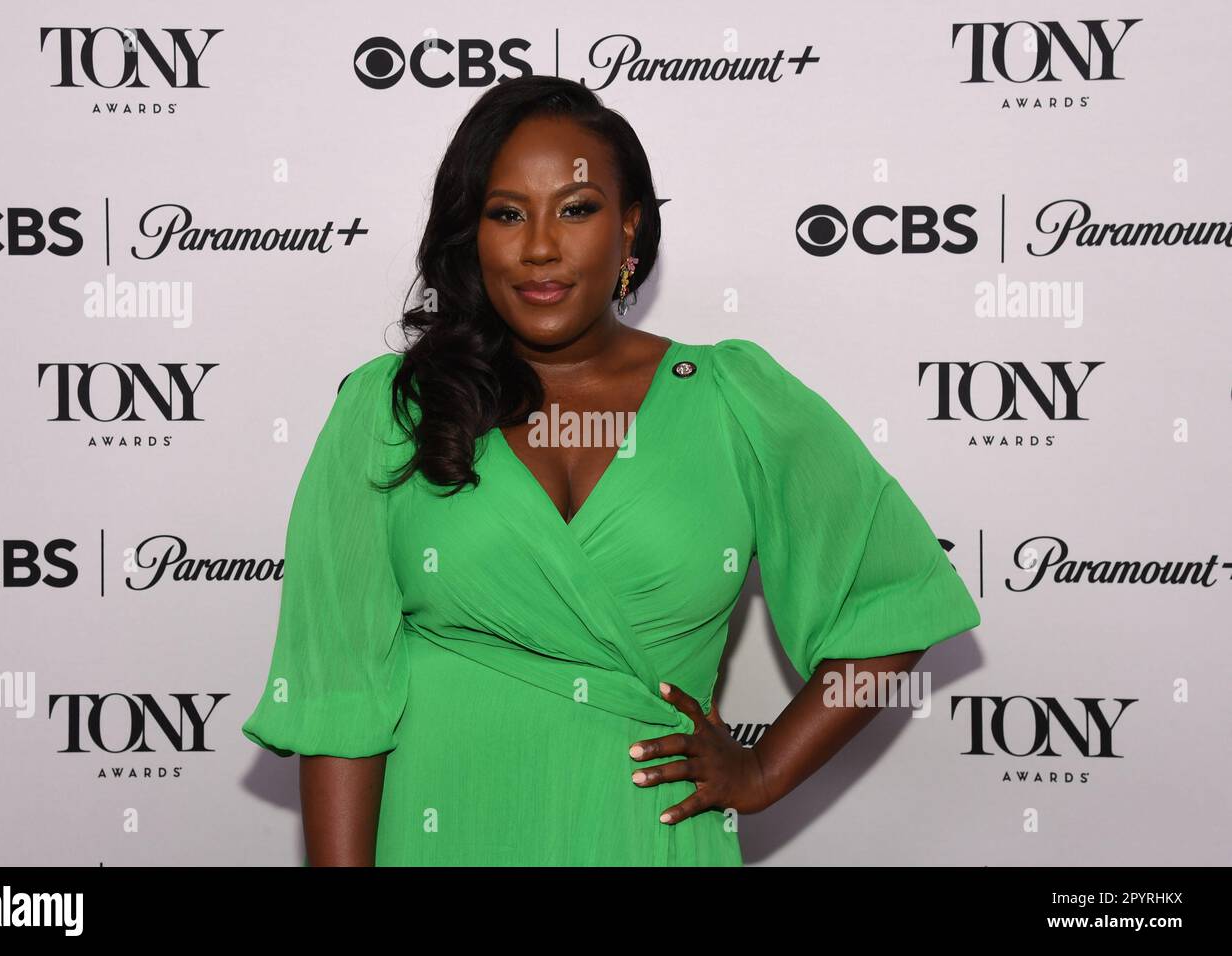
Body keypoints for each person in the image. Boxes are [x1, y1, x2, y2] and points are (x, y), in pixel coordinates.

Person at [241, 75, 981, 866]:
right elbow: (340, 701)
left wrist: (765, 768)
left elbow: (895, 602)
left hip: (647, 835)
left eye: (577, 208)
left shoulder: (731, 399)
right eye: (506, 213)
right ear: (472, 235)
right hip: (441, 827)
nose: (539, 247)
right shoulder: (389, 410)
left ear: (630, 227)